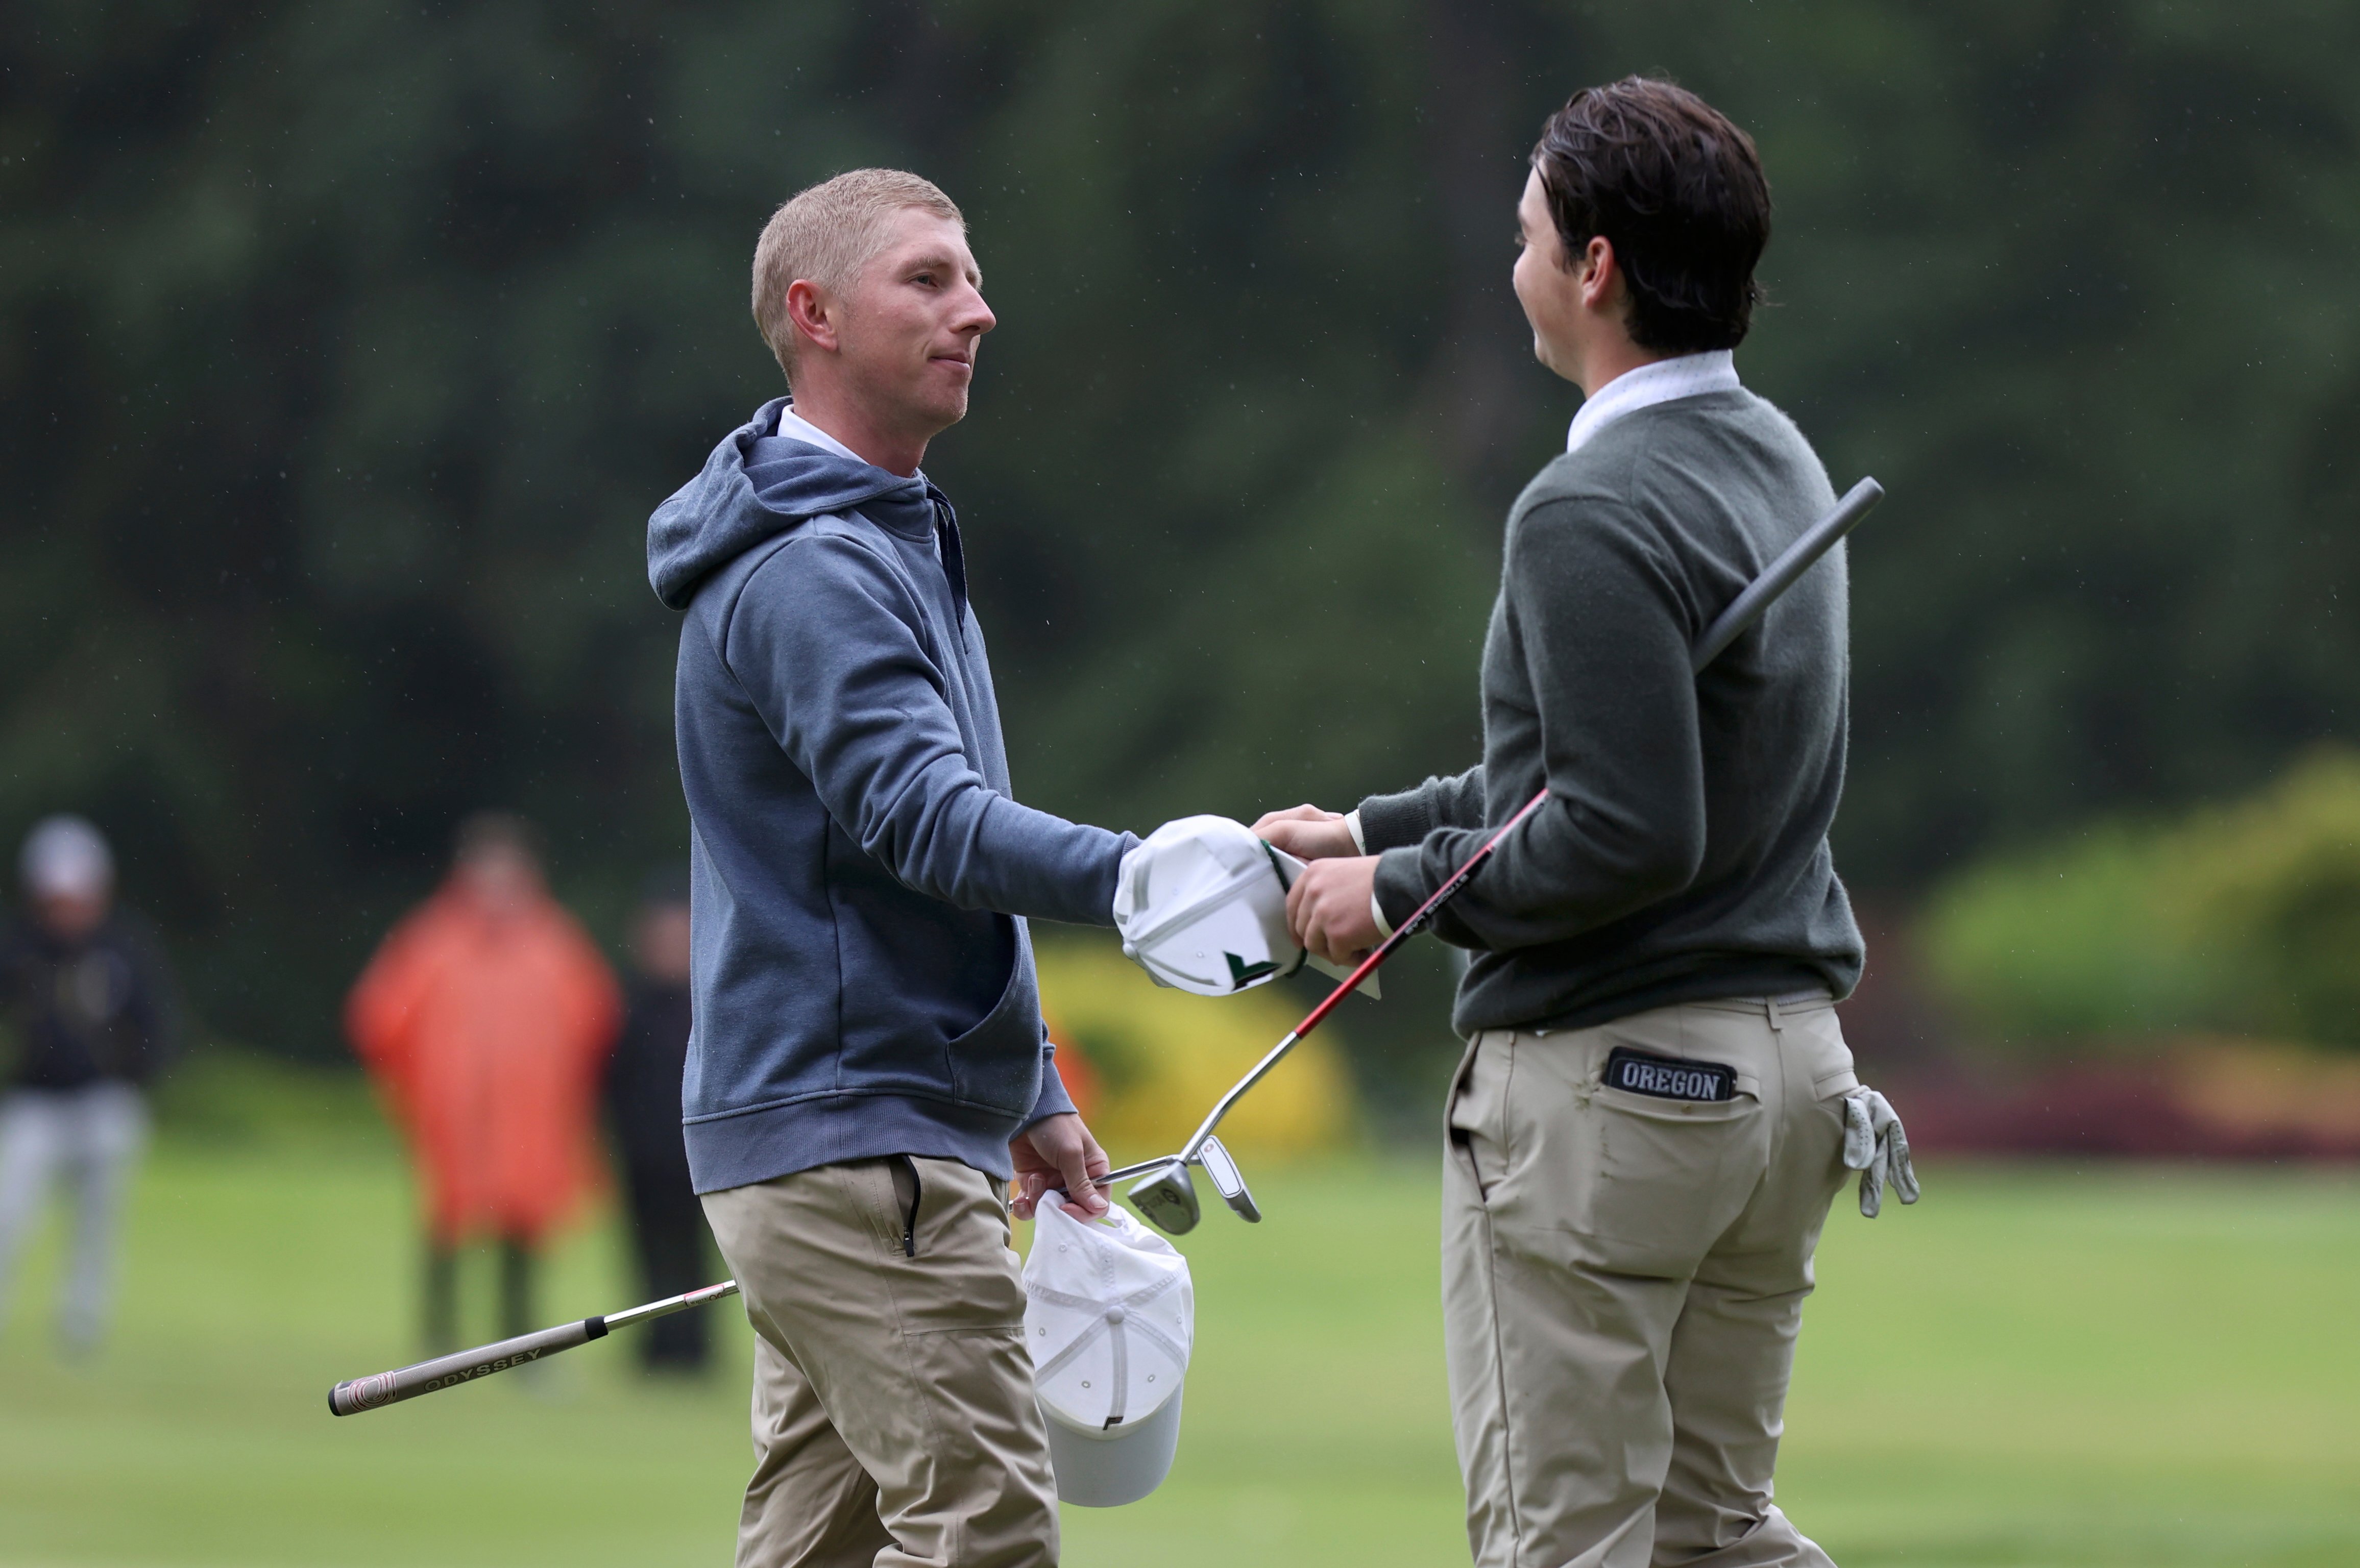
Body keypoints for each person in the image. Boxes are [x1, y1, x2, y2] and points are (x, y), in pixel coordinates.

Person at [1257, 80, 1869, 1568]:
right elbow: (1602, 770)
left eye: (1529, 234)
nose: (1512, 263)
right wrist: (1364, 829)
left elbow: (1622, 828)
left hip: (1618, 1095)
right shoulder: (1772, 452)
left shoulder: (1582, 508)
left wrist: (1395, 891)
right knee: (1712, 1533)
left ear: (1594, 267)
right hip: (1786, 1074)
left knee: (1566, 1543)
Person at [647, 168, 1134, 1567]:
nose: (977, 311)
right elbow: (931, 823)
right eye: (928, 281)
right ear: (816, 314)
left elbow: (920, 862)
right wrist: (1148, 876)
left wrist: (1025, 1081)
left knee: (815, 1548)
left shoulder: (887, 530)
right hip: (862, 1151)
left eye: (971, 279)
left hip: (872, 1132)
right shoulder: (812, 568)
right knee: (988, 1537)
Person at [346, 812, 621, 1354]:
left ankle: (520, 1344)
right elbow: (379, 1020)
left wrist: (566, 1092)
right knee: (446, 1223)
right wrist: (413, 1090)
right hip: (455, 1119)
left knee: (525, 1230)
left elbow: (597, 1023)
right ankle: (439, 1340)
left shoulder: (554, 945)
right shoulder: (434, 942)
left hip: (530, 1120)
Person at [0, 815, 179, 1356]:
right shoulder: (18, 950)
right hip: (35, 1102)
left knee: (97, 1224)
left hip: (104, 1102)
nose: (68, 909)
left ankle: (81, 1327)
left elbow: (156, 1029)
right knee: (9, 1210)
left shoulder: (123, 949)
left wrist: (132, 1079)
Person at [601, 871, 709, 1374]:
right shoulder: (627, 1006)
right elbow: (609, 1085)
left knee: (696, 1257)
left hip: (700, 1158)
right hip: (642, 1157)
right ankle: (655, 1346)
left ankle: (693, 1347)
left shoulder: (708, 1005)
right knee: (646, 1253)